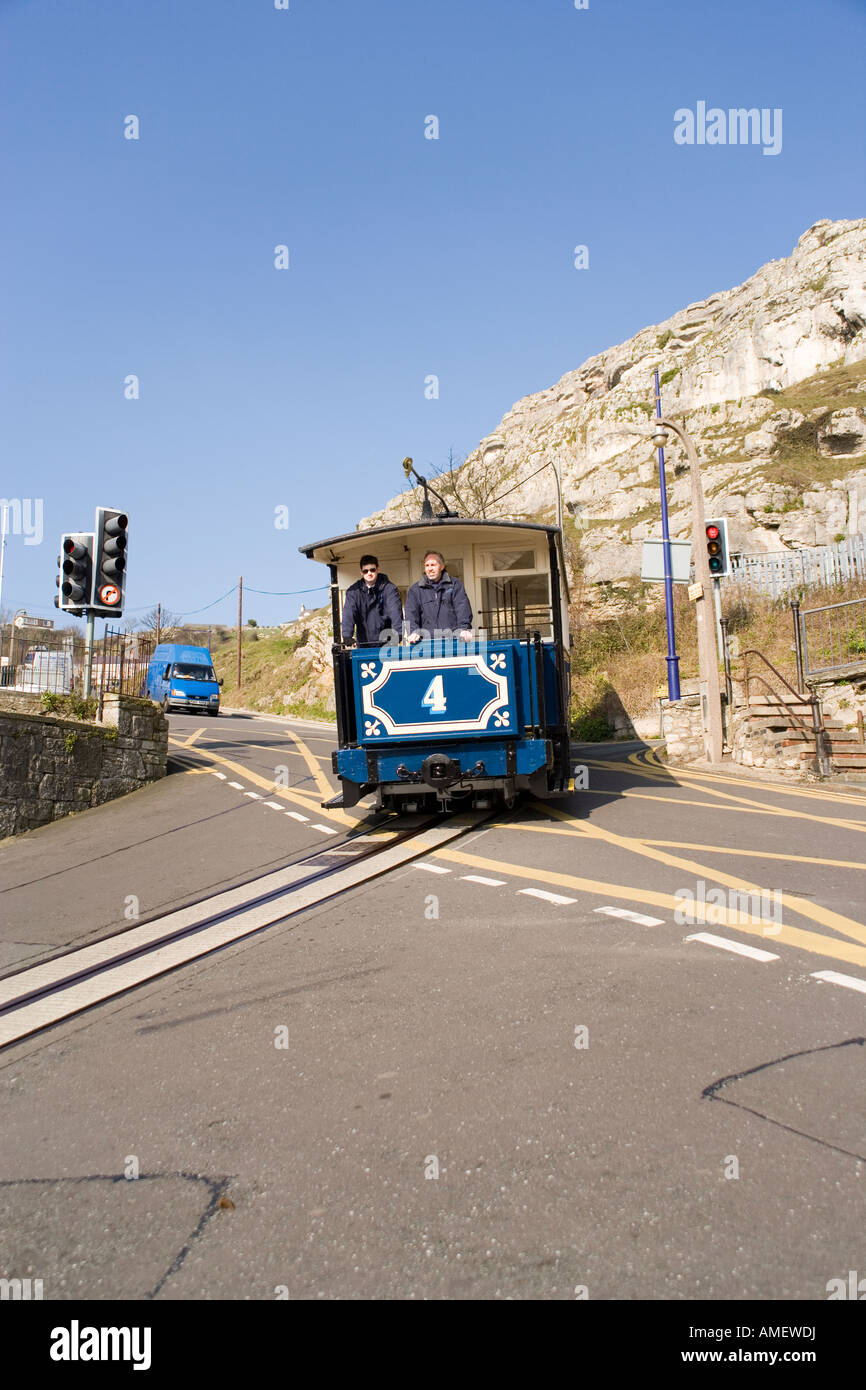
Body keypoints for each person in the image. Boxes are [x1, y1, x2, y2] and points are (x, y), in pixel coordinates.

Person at [405, 551, 473, 643]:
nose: (430, 569)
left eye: (433, 565)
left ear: (442, 566)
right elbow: (411, 614)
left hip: (453, 641)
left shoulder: (455, 585)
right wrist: (413, 632)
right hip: (426, 643)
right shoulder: (415, 590)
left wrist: (464, 629)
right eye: (427, 565)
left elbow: (462, 608)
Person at [341, 555, 404, 646]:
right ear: (361, 572)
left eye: (372, 570)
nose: (369, 573)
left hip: (387, 643)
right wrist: (347, 635)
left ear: (378, 569)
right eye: (365, 571)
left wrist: (398, 632)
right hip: (363, 643)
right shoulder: (353, 592)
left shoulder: (389, 589)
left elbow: (395, 611)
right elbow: (348, 613)